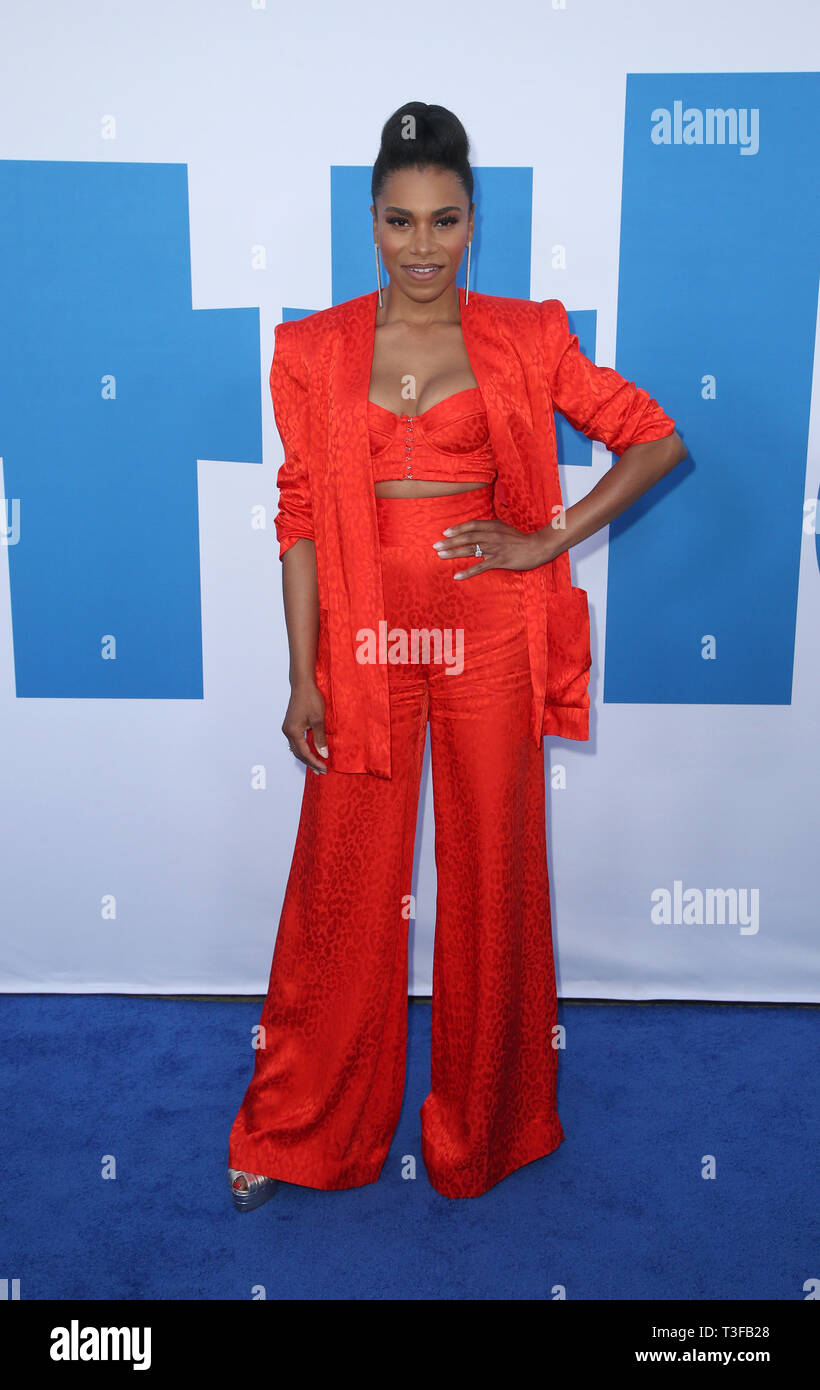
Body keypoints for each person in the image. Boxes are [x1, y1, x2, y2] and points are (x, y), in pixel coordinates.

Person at [227, 101, 687, 1210]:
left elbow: (654, 436)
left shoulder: (527, 335)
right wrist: (304, 671)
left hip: (487, 633)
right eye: (399, 221)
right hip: (365, 639)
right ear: (370, 223)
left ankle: (485, 1125)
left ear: (473, 221)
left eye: (443, 221)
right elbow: (297, 517)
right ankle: (297, 1125)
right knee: (342, 884)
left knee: (492, 873)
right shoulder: (312, 348)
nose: (422, 246)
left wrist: (546, 537)